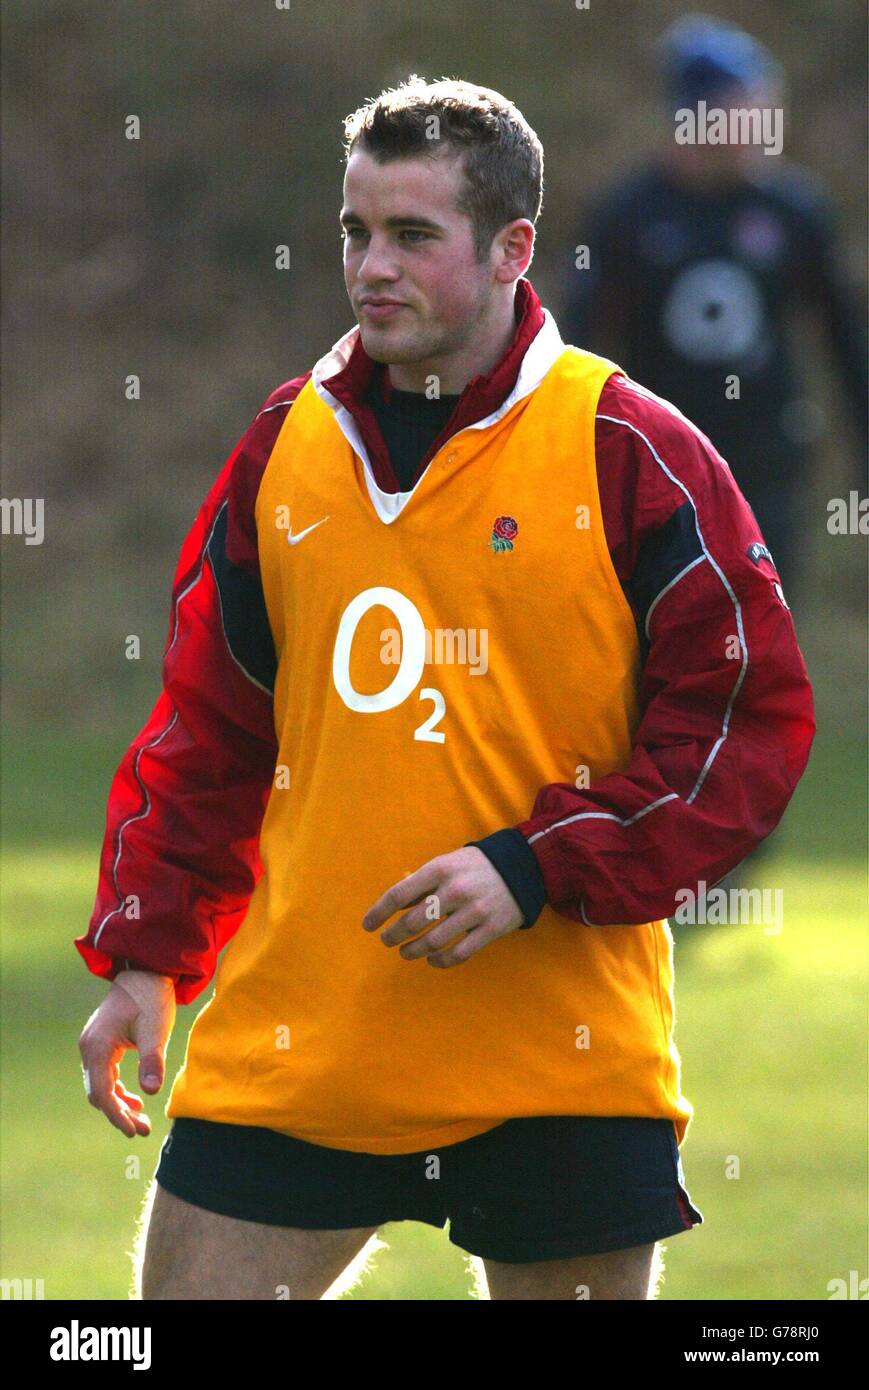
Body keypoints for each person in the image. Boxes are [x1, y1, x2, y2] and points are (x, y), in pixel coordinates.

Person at [76, 75, 815, 1302]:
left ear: (511, 249)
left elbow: (740, 725)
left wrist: (535, 864)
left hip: (561, 1071)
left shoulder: (629, 448)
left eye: (412, 235)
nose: (372, 267)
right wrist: (146, 953)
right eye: (355, 231)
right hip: (298, 1049)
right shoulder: (282, 445)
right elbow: (210, 730)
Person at [563, 14, 868, 603]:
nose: (764, 125)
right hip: (661, 459)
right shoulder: (629, 215)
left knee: (764, 615)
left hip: (767, 456)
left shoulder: (794, 211)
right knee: (664, 618)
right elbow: (579, 341)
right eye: (747, 108)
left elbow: (844, 339)